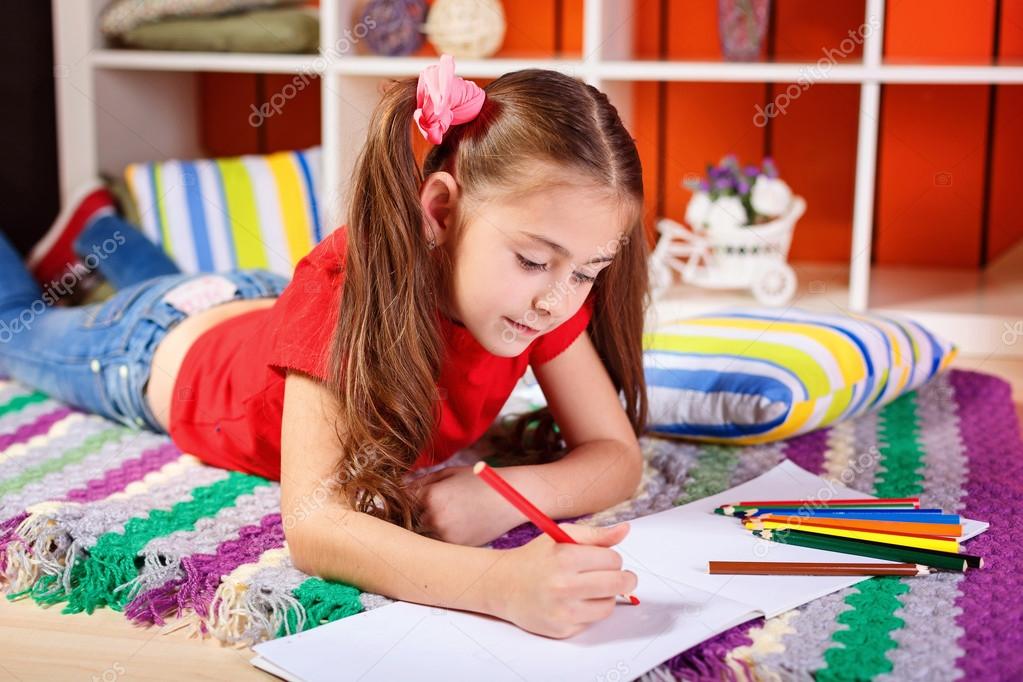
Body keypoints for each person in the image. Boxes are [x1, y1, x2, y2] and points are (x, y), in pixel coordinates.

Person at [0, 54, 650, 639]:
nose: (558, 300)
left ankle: (98, 231)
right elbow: (315, 526)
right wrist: (498, 583)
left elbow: (616, 457)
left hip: (256, 305)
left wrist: (501, 494)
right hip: (149, 347)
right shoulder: (344, 295)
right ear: (440, 211)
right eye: (533, 260)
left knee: (178, 284)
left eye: (588, 271)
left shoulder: (542, 297)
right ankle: (92, 239)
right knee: (15, 326)